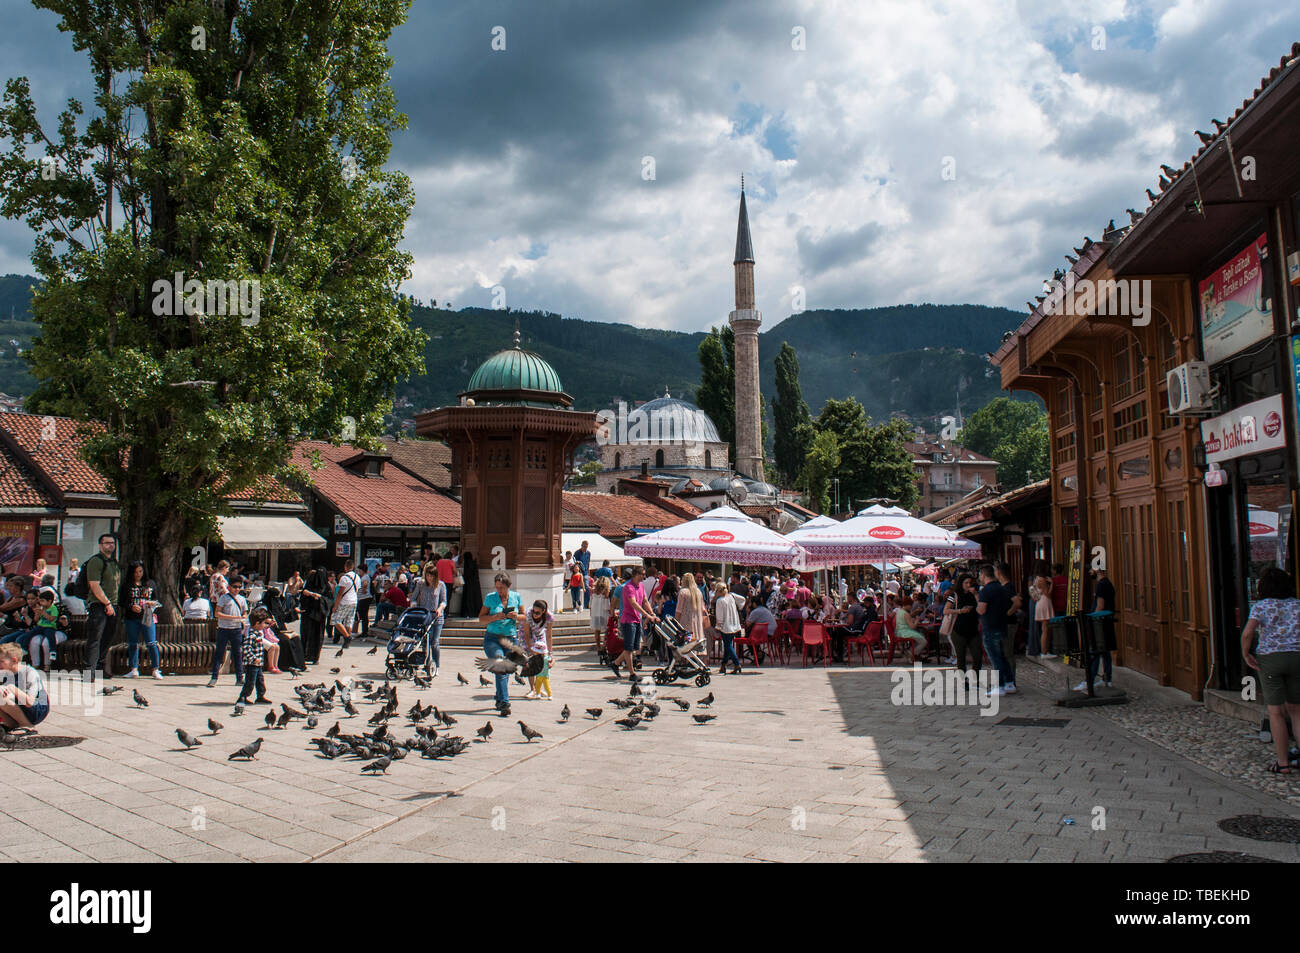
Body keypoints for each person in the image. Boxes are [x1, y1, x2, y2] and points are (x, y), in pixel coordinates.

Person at [1242, 567, 1300, 774]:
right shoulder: (1296, 605)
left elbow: (1248, 633)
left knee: (1276, 711)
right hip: (1296, 656)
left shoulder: (1262, 606)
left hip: (1271, 659)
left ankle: (1283, 762)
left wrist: (1246, 653)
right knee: (1296, 709)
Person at [480, 572, 523, 716]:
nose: (499, 590)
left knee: (506, 669)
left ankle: (499, 697)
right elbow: (481, 619)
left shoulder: (516, 597)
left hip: (510, 639)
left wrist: (516, 616)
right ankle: (505, 702)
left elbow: (524, 617)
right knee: (501, 665)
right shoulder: (490, 598)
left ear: (508, 586)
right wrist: (494, 617)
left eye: (502, 588)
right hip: (493, 638)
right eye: (497, 587)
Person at [81, 534, 121, 680]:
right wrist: (107, 603)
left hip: (113, 604)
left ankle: (100, 668)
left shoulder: (113, 563)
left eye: (112, 543)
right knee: (95, 638)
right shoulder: (96, 561)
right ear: (100, 545)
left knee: (107, 637)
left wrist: (113, 605)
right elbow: (94, 584)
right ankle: (88, 672)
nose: (110, 545)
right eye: (107, 543)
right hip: (98, 605)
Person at [611, 566, 656, 682]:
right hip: (628, 620)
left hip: (637, 619)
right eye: (642, 574)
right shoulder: (628, 587)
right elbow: (634, 603)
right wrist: (647, 615)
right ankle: (632, 674)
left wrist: (652, 613)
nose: (644, 576)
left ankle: (615, 663)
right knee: (629, 648)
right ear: (636, 574)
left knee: (634, 647)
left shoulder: (640, 586)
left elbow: (645, 601)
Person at [1076, 567, 1117, 691]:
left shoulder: (1101, 585)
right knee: (1105, 651)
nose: (1089, 571)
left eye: (1091, 569)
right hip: (1105, 622)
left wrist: (1093, 621)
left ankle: (1090, 680)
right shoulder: (1107, 583)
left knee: (1095, 651)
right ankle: (1107, 679)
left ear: (1097, 569)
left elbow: (1100, 606)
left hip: (1100, 623)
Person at [120, 561, 162, 680]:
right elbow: (122, 602)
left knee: (151, 643)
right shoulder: (127, 585)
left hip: (147, 617)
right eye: (135, 572)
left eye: (140, 571)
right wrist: (131, 607)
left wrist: (150, 603)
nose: (138, 574)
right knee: (133, 643)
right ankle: (133, 669)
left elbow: (156, 600)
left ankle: (155, 669)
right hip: (131, 618)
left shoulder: (150, 583)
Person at [977, 564, 1014, 695]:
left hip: (990, 626)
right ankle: (1010, 683)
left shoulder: (985, 591)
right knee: (1002, 656)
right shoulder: (1001, 588)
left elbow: (981, 609)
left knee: (995, 657)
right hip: (1002, 625)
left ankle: (1000, 686)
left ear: (983, 575)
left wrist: (977, 605)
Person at [208, 575, 248, 688]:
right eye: (235, 587)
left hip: (236, 629)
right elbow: (217, 613)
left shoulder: (242, 599)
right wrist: (233, 617)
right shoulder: (224, 598)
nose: (237, 589)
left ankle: (239, 678)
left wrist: (242, 618)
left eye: (239, 587)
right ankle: (214, 677)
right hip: (224, 629)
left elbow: (245, 613)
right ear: (229, 587)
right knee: (219, 653)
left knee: (238, 653)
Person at [409, 563, 447, 677]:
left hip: (436, 616)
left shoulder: (441, 585)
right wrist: (414, 606)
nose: (429, 578)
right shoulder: (420, 584)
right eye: (427, 575)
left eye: (432, 576)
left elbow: (444, 601)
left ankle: (436, 665)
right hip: (424, 616)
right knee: (425, 642)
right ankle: (427, 663)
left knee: (435, 642)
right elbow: (413, 598)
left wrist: (440, 609)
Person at [0, 643, 49, 729]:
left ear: (14, 660)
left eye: (1, 661)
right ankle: (12, 724)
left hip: (36, 711)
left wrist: (12, 688)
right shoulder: (4, 671)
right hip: (20, 706)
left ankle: (27, 725)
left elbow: (30, 702)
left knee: (2, 696)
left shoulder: (30, 673)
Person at [946, 573, 982, 675]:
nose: (968, 585)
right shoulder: (955, 595)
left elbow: (980, 609)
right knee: (961, 658)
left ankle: (975, 679)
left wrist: (975, 595)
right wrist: (960, 611)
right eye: (966, 583)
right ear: (961, 583)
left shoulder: (974, 594)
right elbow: (946, 610)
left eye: (970, 583)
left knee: (978, 656)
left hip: (973, 629)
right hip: (958, 630)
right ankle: (964, 681)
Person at [236, 607, 273, 705]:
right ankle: (243, 697)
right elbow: (246, 649)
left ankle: (260, 696)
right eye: (263, 623)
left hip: (258, 664)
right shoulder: (251, 635)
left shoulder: (257, 633)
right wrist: (254, 658)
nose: (264, 625)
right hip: (252, 664)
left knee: (260, 680)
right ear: (257, 623)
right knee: (250, 682)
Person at [27, 589, 68, 669]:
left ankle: (47, 664)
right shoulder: (41, 608)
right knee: (34, 641)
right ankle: (35, 664)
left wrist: (63, 620)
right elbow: (35, 622)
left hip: (57, 631)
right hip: (42, 629)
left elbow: (65, 621)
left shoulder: (58, 607)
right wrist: (37, 614)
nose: (40, 602)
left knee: (46, 642)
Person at [521, 600, 553, 699]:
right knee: (531, 662)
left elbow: (549, 635)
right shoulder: (528, 614)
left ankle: (538, 687)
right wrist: (531, 650)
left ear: (543, 611)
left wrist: (550, 653)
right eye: (534, 611)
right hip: (527, 635)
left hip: (539, 634)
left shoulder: (549, 617)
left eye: (538, 613)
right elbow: (526, 634)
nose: (535, 614)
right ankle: (532, 689)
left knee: (541, 661)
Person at [298, 568, 330, 664]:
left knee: (313, 635)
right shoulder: (312, 586)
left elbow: (329, 601)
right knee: (309, 635)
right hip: (312, 615)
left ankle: (312, 656)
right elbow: (302, 600)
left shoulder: (325, 587)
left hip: (315, 615)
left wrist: (318, 597)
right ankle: (308, 656)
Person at [713, 583, 743, 675]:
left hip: (726, 625)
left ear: (718, 591)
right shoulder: (731, 596)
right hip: (733, 623)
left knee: (728, 645)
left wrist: (718, 626)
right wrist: (740, 607)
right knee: (727, 645)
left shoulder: (720, 601)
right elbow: (743, 599)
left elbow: (720, 616)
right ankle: (723, 665)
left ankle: (737, 663)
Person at [331, 559, 360, 646]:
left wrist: (335, 606)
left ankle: (347, 637)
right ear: (353, 567)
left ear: (345, 567)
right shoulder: (357, 577)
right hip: (354, 600)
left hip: (345, 601)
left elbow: (340, 593)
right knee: (349, 620)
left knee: (335, 620)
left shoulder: (344, 578)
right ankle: (346, 642)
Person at [675, 572, 707, 649]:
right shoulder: (699, 592)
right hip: (698, 622)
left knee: (686, 645)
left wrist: (675, 621)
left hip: (686, 623)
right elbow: (703, 609)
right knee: (696, 642)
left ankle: (688, 657)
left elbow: (679, 610)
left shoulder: (683, 592)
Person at [1034, 576, 1056, 658]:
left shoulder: (1037, 579)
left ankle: (1045, 651)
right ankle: (1044, 652)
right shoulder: (1042, 579)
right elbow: (1048, 594)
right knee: (1045, 630)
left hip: (1041, 602)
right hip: (1045, 602)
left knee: (1045, 629)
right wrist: (1052, 584)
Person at [591, 575, 612, 641]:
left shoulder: (594, 591)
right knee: (607, 630)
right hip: (603, 613)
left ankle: (598, 647)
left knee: (597, 631)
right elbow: (606, 605)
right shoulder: (606, 591)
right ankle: (604, 645)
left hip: (595, 613)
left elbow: (590, 603)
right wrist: (610, 611)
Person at [354, 566, 372, 639]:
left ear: (362, 570)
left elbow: (365, 584)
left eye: (359, 571)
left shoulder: (365, 577)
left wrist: (364, 589)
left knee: (363, 615)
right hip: (363, 598)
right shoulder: (365, 577)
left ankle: (365, 631)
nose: (358, 572)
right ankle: (364, 631)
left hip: (364, 598)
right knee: (362, 615)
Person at [575, 540, 592, 608]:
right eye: (584, 546)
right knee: (578, 588)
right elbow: (575, 564)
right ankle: (578, 604)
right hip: (579, 573)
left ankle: (586, 604)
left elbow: (588, 563)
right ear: (581, 545)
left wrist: (588, 573)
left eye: (586, 546)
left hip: (585, 574)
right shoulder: (577, 553)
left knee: (587, 588)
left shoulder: (588, 553)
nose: (585, 547)